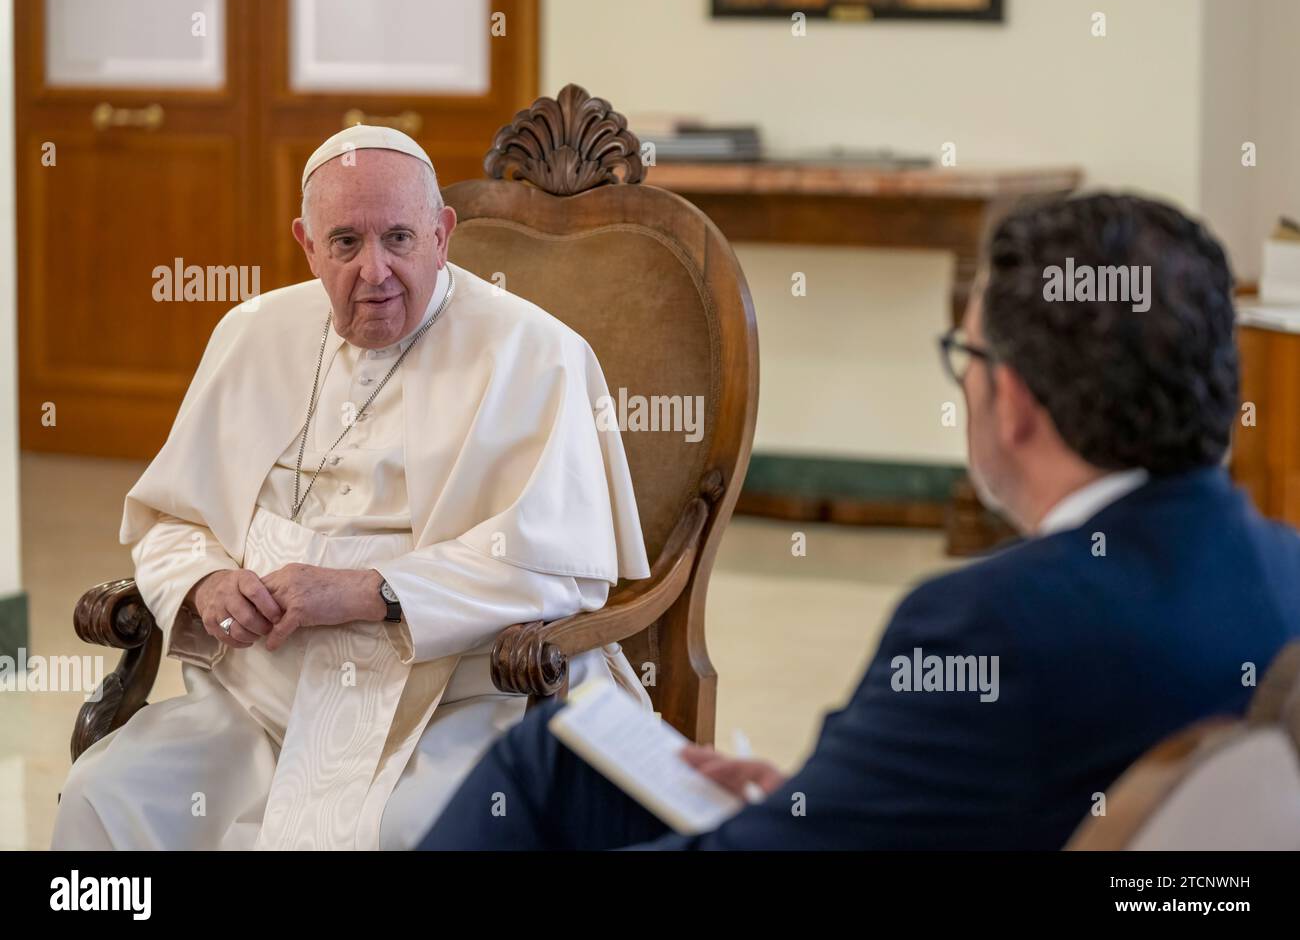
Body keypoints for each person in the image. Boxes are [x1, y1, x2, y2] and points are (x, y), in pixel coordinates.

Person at [420, 193, 1300, 850]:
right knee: (568, 758)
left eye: (965, 356)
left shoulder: (983, 625)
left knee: (536, 768)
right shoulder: (1286, 574)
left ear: (1016, 403)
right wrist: (828, 791)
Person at [52, 125, 650, 851]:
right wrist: (207, 582)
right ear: (306, 243)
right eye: (345, 243)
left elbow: (555, 570)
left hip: (449, 698)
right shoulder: (252, 333)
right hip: (258, 701)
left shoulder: (539, 355)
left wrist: (372, 592)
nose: (375, 272)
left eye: (400, 238)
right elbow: (173, 518)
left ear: (442, 233)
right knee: (106, 795)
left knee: (410, 832)